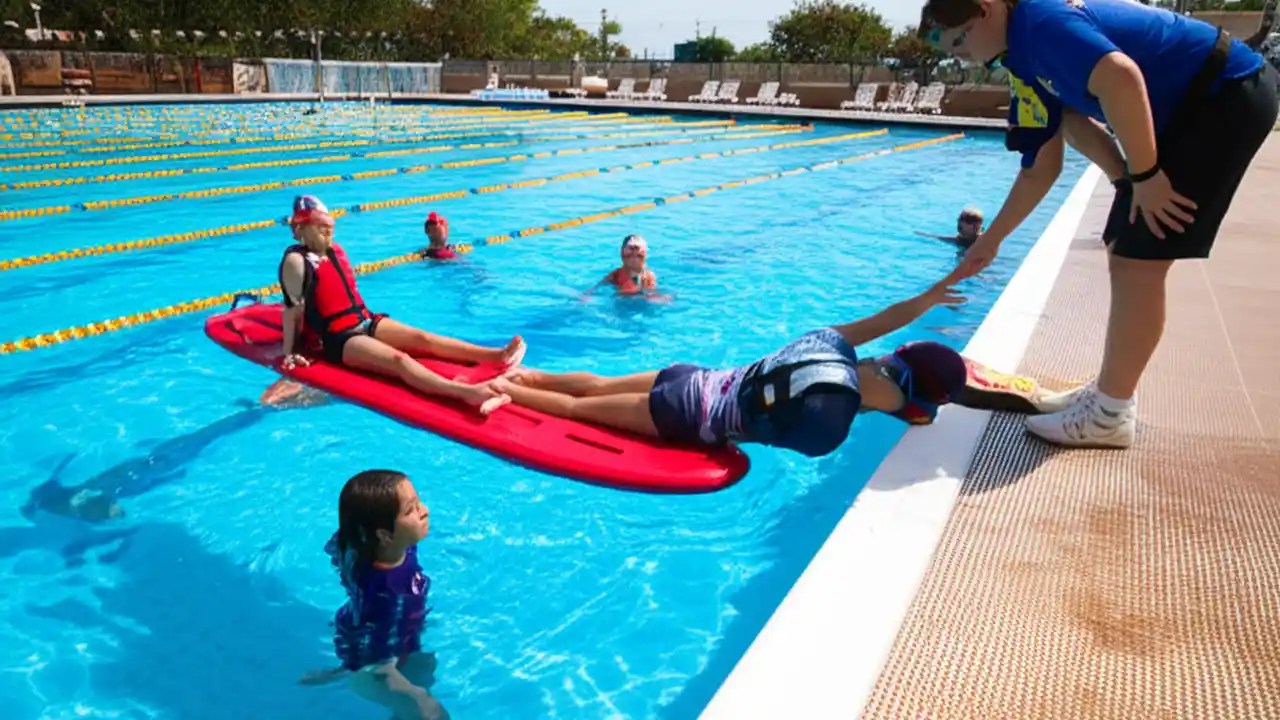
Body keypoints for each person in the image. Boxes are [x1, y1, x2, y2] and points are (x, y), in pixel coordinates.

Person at [922, 0, 1278, 448]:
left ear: (987, 9)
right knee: (1123, 243)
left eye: (960, 39)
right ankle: (1111, 392)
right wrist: (992, 242)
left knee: (1138, 261)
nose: (961, 54)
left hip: (1223, 95)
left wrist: (1146, 176)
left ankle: (1110, 414)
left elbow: (1121, 78)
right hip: (1199, 104)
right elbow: (1048, 156)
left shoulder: (1041, 24)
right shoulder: (1021, 57)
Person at [481, 267, 970, 458]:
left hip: (693, 375)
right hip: (689, 414)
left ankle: (532, 374)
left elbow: (881, 322)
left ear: (892, 356)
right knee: (573, 412)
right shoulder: (830, 427)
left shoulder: (830, 342)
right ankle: (509, 391)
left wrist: (926, 300)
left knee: (594, 383)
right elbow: (759, 432)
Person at [277, 195, 523, 413]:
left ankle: (496, 355)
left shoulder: (334, 251)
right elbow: (292, 311)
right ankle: (463, 392)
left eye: (329, 227)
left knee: (423, 339)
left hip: (364, 320)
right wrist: (291, 352)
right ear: (303, 228)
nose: (329, 232)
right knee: (399, 360)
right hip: (337, 339)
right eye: (322, 227)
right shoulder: (295, 261)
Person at [300, 470, 449, 720]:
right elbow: (377, 657)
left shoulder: (370, 546)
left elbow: (336, 550)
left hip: (362, 623)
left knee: (424, 667)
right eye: (411, 510)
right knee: (433, 714)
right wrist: (412, 696)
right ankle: (342, 674)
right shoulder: (388, 595)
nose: (425, 510)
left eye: (418, 502)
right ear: (383, 534)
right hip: (374, 655)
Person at [916, 207, 985, 250]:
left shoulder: (984, 240)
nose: (960, 222)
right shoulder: (958, 240)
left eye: (966, 220)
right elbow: (939, 238)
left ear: (976, 226)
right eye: (960, 219)